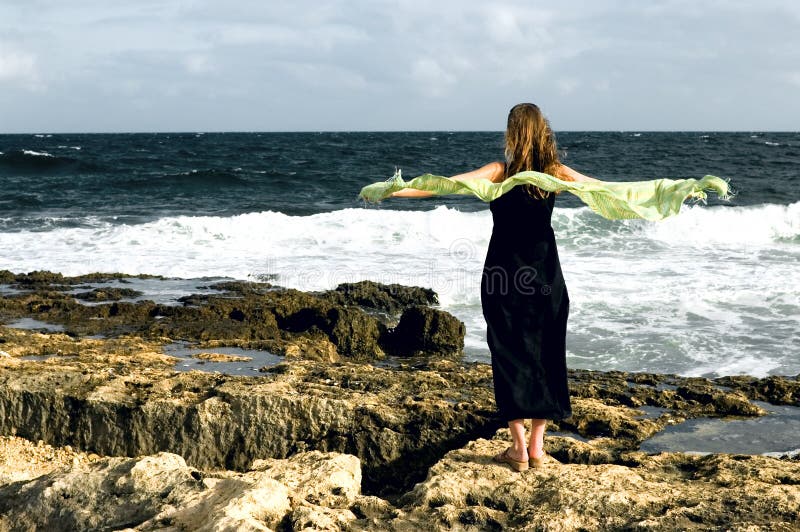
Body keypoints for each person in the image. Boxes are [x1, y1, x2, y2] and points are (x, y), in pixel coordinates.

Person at [389, 103, 598, 472]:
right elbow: (603, 191)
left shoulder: (498, 172)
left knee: (508, 353)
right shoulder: (553, 173)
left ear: (513, 133)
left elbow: (446, 184)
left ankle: (518, 448)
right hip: (545, 275)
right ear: (543, 131)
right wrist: (665, 194)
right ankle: (537, 447)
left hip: (503, 274)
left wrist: (396, 191)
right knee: (546, 352)